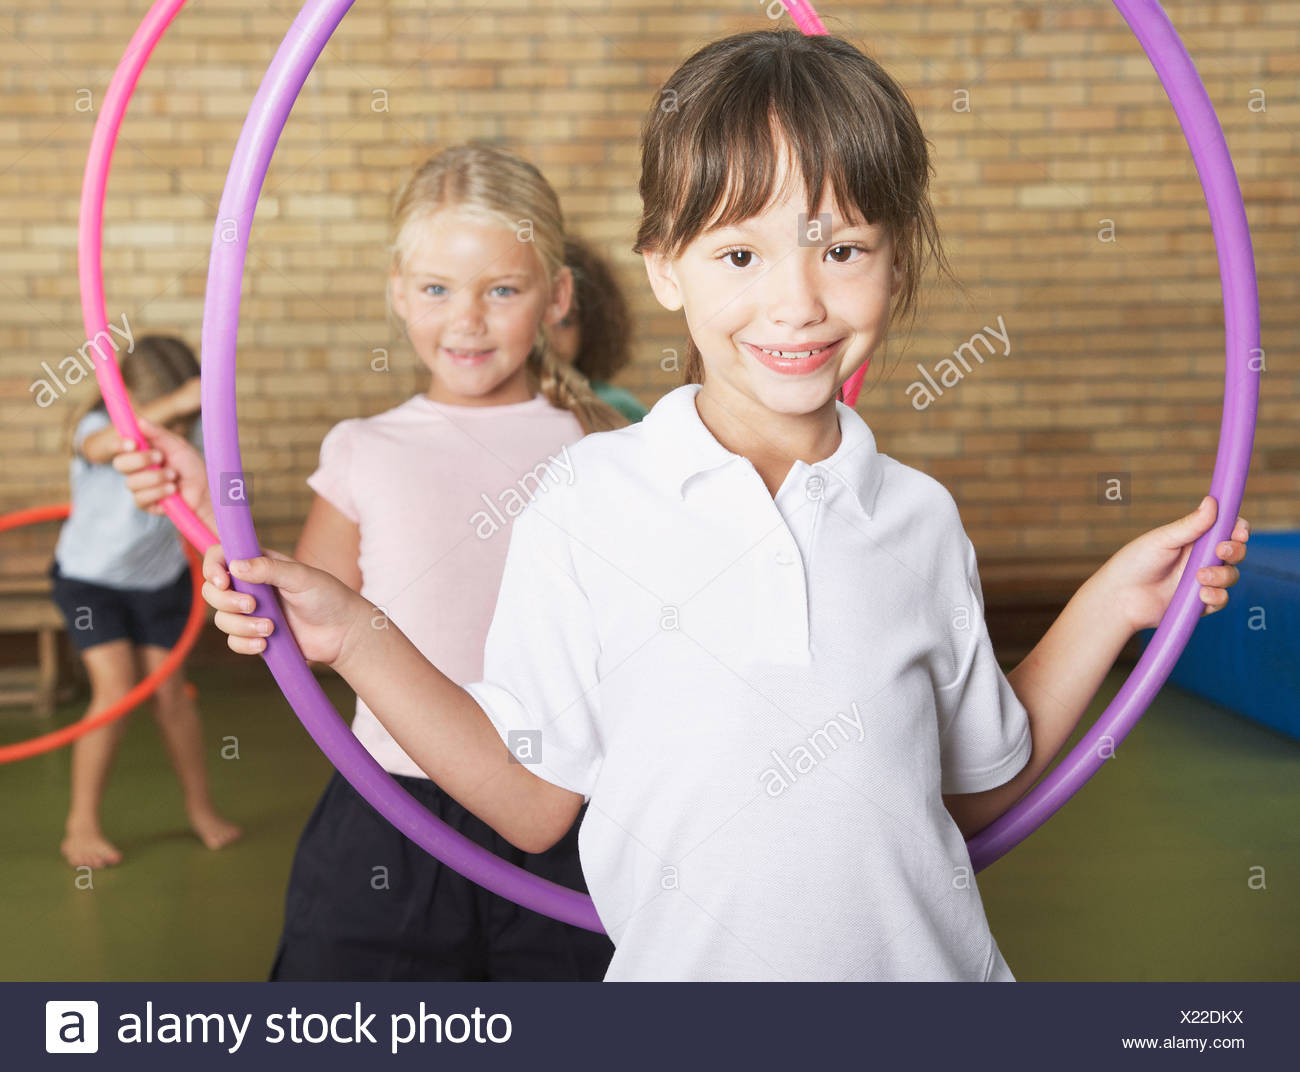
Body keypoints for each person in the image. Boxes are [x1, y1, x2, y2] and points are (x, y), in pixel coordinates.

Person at [192, 30, 1250, 980]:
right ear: (665, 267)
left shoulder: (918, 515)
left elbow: (969, 787)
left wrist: (1108, 606)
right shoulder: (585, 498)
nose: (795, 302)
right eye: (740, 255)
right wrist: (356, 632)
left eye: (841, 251)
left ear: (899, 261)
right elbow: (528, 803)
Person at [116, 143, 622, 980]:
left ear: (557, 296)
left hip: (566, 810)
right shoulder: (363, 449)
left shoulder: (605, 449)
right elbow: (293, 621)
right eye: (435, 290)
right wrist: (205, 511)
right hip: (391, 803)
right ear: (398, 295)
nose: (466, 321)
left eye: (502, 290)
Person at [50, 335, 241, 869]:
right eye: (168, 412)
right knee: (116, 688)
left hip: (161, 581)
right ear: (123, 396)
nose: (176, 431)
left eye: (185, 418)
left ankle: (201, 809)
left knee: (172, 696)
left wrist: (198, 415)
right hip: (92, 582)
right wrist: (179, 403)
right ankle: (80, 822)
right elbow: (102, 446)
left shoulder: (198, 429)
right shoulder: (95, 429)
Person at [546, 234, 649, 422]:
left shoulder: (615, 406)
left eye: (564, 323)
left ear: (589, 328)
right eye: (537, 323)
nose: (549, 337)